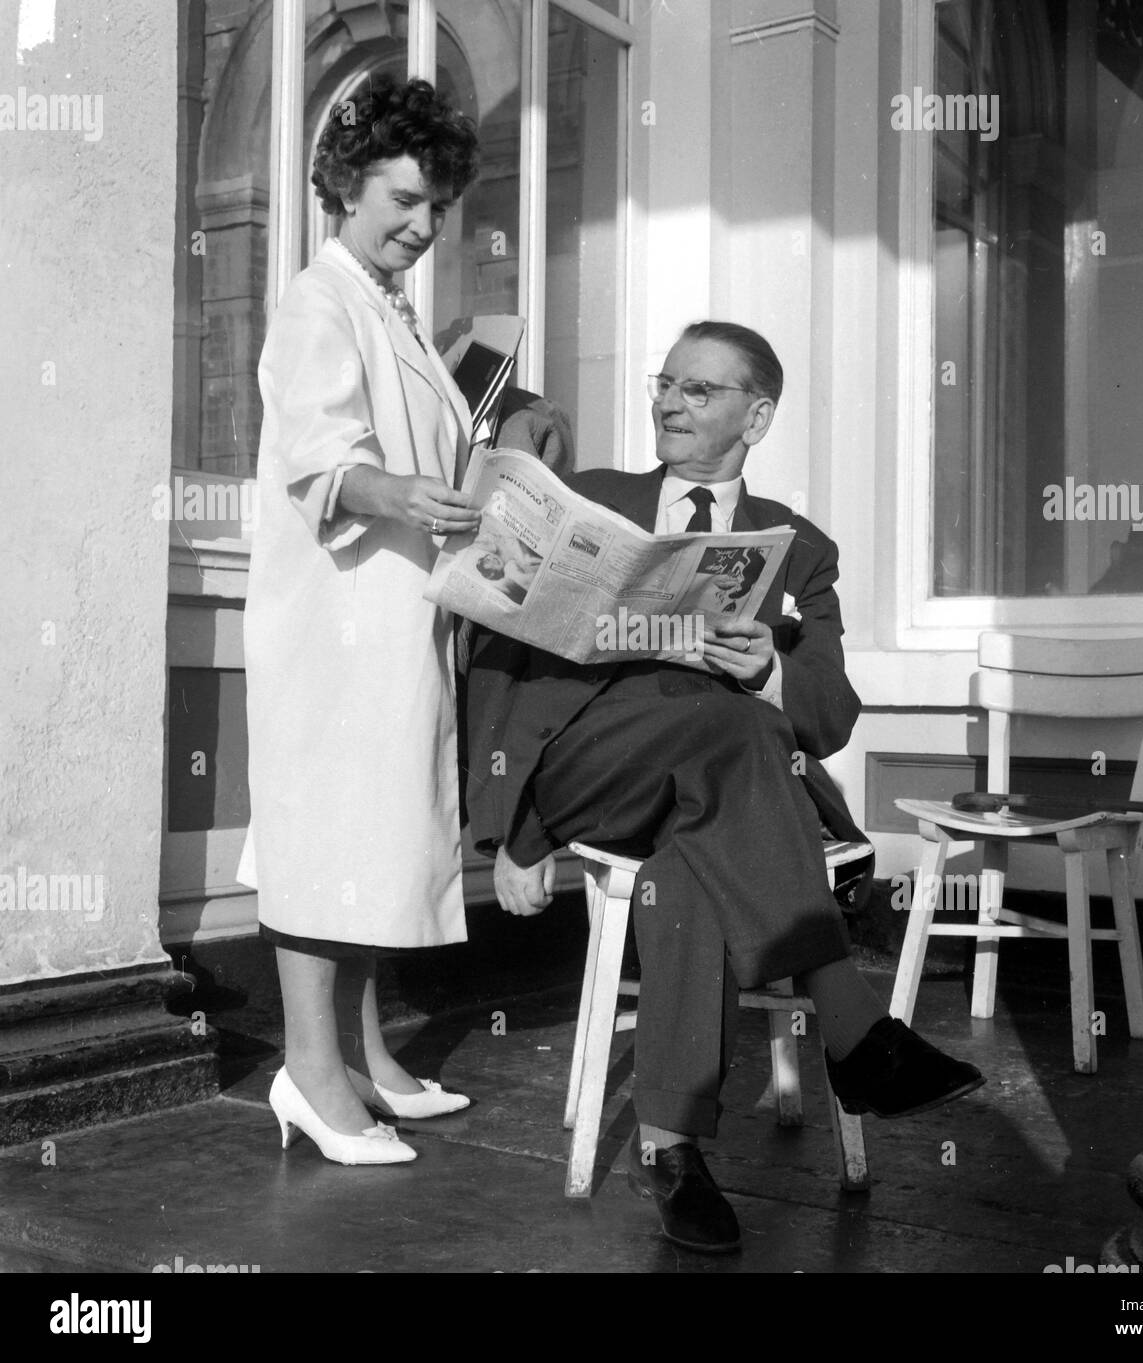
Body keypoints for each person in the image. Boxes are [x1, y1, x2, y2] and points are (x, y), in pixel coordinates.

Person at [465, 321, 986, 1251]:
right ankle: (852, 1024)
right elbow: (500, 658)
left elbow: (828, 711)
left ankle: (670, 1150)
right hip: (590, 771)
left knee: (691, 860)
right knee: (732, 727)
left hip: (711, 804)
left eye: (699, 389)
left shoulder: (800, 549)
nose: (670, 402)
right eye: (665, 383)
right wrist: (511, 827)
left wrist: (771, 672)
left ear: (758, 416)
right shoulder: (596, 501)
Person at [238, 77, 483, 1166]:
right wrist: (409, 495)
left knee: (374, 837)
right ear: (345, 187)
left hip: (393, 614)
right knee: (324, 835)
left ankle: (366, 1056)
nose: (424, 225)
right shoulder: (317, 301)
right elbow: (322, 457)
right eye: (405, 199)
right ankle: (311, 1074)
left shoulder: (387, 308)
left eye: (438, 207)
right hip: (332, 619)